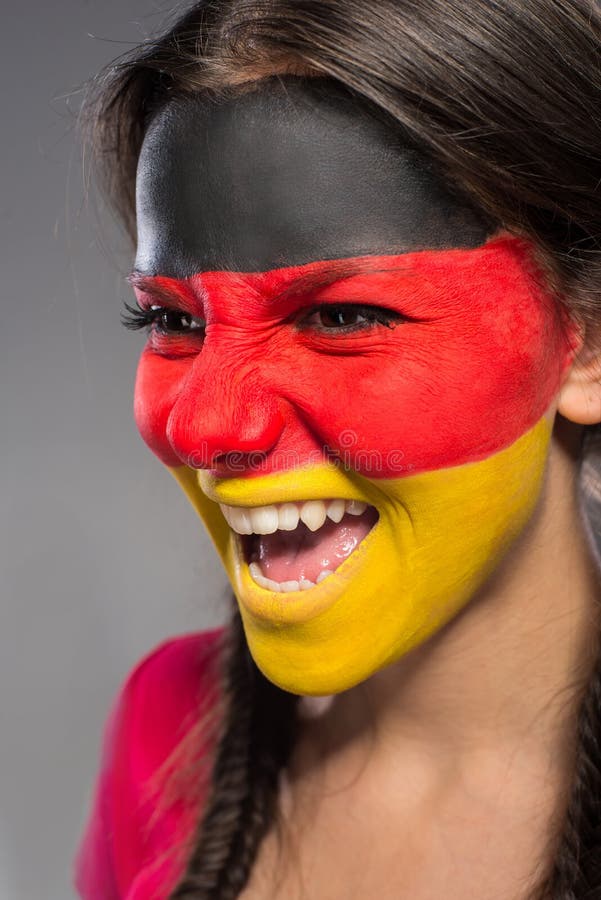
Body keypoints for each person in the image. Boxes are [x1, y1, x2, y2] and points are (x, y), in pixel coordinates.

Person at [74, 1, 601, 898]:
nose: (207, 429)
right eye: (172, 320)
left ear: (583, 345)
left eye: (344, 316)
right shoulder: (163, 723)